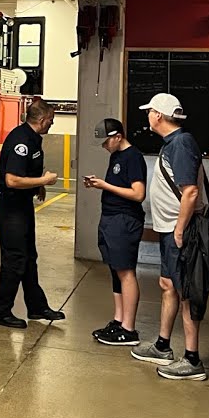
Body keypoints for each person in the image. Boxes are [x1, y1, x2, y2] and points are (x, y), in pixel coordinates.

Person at [130, 93, 208, 380]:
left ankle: (192, 359)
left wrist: (179, 229)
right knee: (168, 285)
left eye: (149, 112)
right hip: (169, 231)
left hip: (179, 232)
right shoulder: (172, 143)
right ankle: (162, 346)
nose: (148, 116)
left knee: (186, 292)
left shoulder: (181, 144)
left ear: (158, 115)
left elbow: (191, 192)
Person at [0, 99, 65, 329]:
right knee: (15, 258)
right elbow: (12, 180)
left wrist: (37, 186)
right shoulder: (21, 140)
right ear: (41, 120)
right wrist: (44, 180)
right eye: (50, 120)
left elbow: (26, 171)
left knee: (29, 256)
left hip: (22, 203)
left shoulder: (33, 138)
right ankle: (0, 311)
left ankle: (36, 306)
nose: (52, 124)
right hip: (11, 204)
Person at [83, 118, 146, 346]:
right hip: (110, 218)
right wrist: (98, 185)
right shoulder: (116, 156)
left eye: (105, 141)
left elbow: (138, 194)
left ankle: (129, 329)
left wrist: (105, 186)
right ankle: (119, 320)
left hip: (124, 220)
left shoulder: (133, 157)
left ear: (118, 136)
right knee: (115, 270)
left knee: (126, 272)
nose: (103, 146)